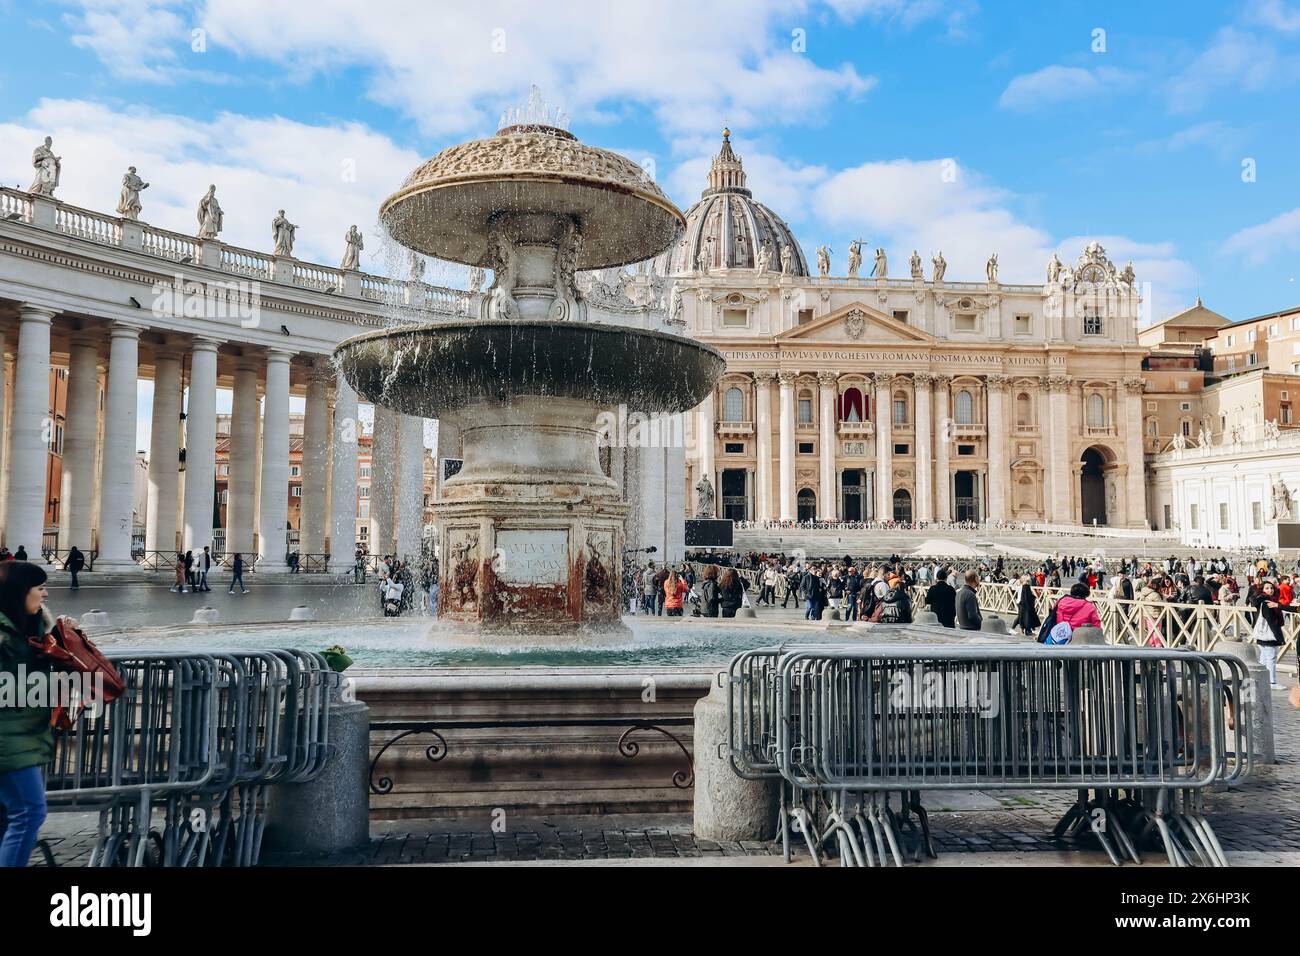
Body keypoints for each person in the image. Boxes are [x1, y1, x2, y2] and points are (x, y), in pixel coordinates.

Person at [0, 561, 61, 867]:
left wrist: (64, 645)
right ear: (19, 592)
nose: (45, 594)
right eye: (39, 587)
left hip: (21, 737)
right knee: (29, 813)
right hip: (8, 741)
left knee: (9, 817)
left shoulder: (30, 628)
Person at [1251, 580, 1298, 685]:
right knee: (1271, 658)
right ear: (1262, 590)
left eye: (1271, 588)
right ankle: (1272, 681)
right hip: (1269, 634)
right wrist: (1279, 637)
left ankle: (1260, 678)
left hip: (1262, 634)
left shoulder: (1268, 601)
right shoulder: (1268, 602)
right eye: (1267, 588)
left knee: (1264, 657)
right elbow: (1272, 622)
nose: (1270, 590)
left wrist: (1278, 605)